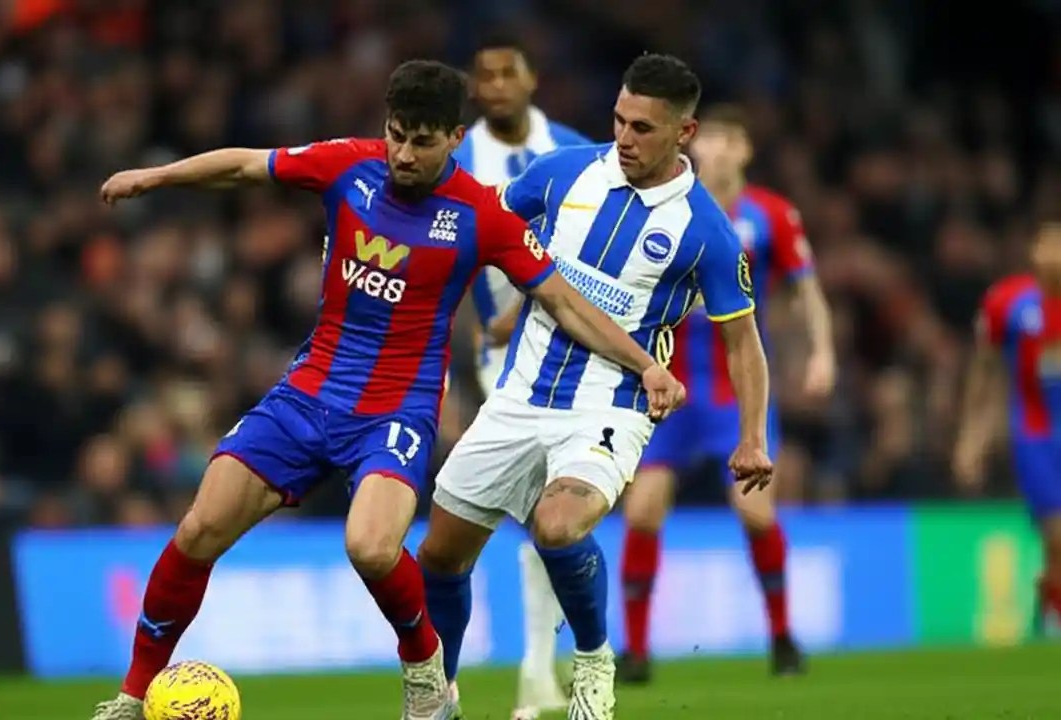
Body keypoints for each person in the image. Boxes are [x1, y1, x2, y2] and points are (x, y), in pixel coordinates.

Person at [90, 59, 683, 720]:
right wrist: (156, 178)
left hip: (396, 412)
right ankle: (133, 695)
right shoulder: (348, 165)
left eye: (422, 140)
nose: (403, 153)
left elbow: (564, 302)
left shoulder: (481, 213)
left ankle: (425, 667)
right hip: (307, 393)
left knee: (370, 547)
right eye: (396, 134)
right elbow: (245, 166)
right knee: (199, 528)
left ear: (454, 137)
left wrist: (646, 366)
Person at [418, 54, 772, 720]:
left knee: (557, 526)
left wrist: (753, 436)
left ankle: (593, 660)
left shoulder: (706, 232)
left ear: (684, 134)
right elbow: (479, 229)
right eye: (618, 119)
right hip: (520, 395)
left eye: (643, 127)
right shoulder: (560, 173)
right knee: (438, 555)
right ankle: (440, 696)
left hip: (611, 407)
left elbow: (742, 340)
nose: (625, 137)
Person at [616, 104, 836, 683]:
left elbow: (807, 291)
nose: (713, 149)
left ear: (744, 151)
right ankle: (636, 653)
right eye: (705, 137)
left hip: (734, 394)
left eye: (724, 139)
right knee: (640, 512)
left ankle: (784, 638)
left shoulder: (770, 216)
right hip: (668, 389)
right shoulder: (663, 206)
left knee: (756, 513)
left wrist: (822, 352)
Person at [450, 33, 590, 720]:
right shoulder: (460, 157)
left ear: (532, 79)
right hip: (500, 353)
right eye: (486, 75)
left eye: (509, 72)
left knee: (546, 507)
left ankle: (541, 670)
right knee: (528, 509)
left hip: (567, 342)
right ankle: (540, 670)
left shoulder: (572, 146)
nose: (497, 84)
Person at [954, 220, 1061, 639]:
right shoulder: (1007, 302)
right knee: (1057, 534)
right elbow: (984, 373)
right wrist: (971, 438)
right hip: (1035, 435)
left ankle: (1046, 599)